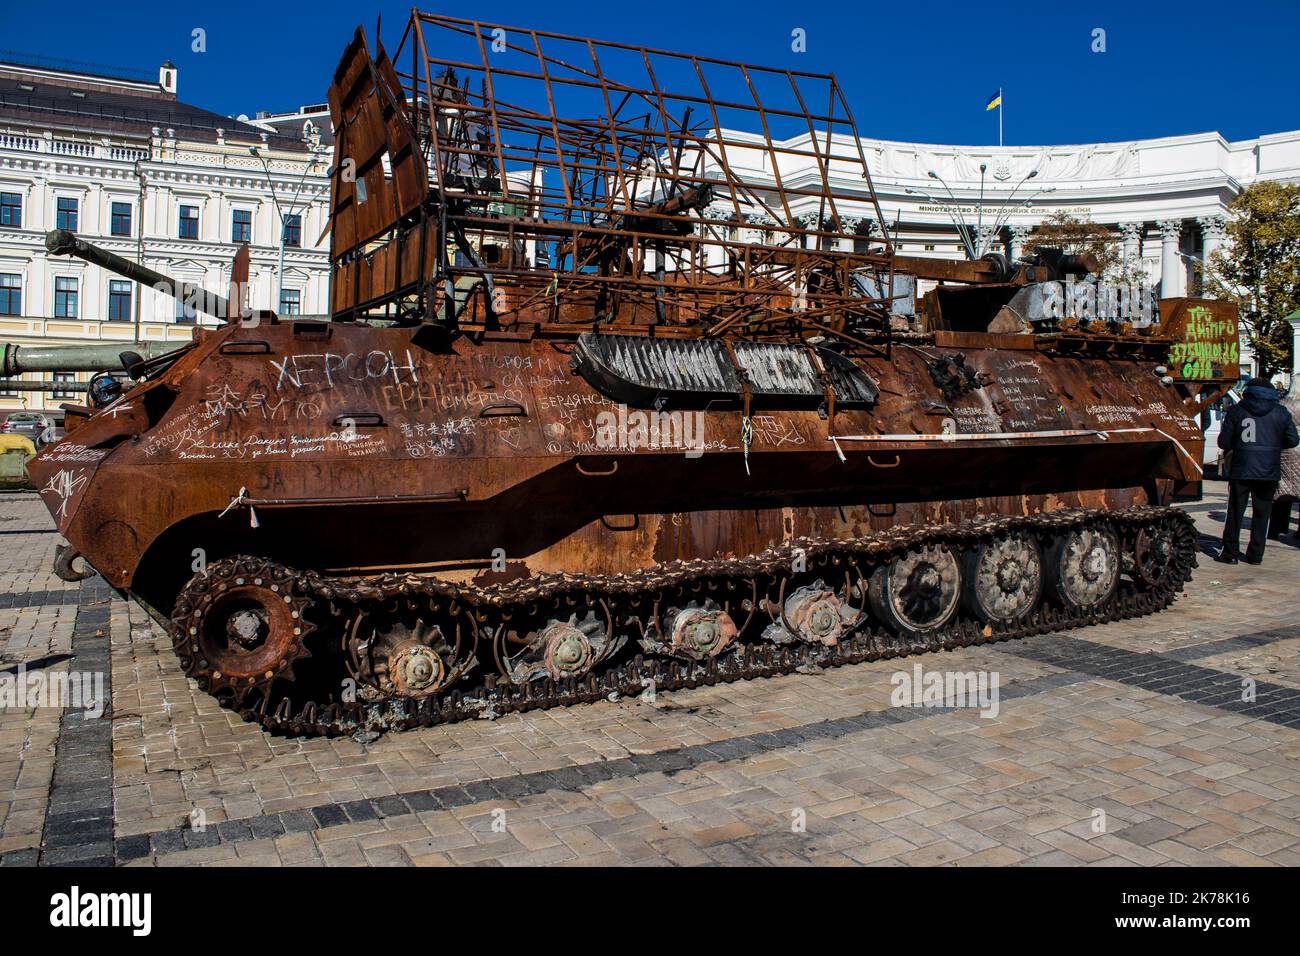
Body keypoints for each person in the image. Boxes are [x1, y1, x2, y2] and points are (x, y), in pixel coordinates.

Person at [1216, 377, 1300, 564]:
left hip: (1242, 468)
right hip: (1268, 469)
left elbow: (1224, 442)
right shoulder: (1281, 412)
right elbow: (1293, 440)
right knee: (1262, 514)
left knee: (1235, 513)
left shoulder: (1237, 410)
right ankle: (1255, 555)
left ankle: (1230, 553)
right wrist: (1274, 445)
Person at [1269, 391, 1300, 539]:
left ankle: (1276, 527)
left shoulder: (1282, 404)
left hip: (1284, 449)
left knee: (1282, 489)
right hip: (1298, 448)